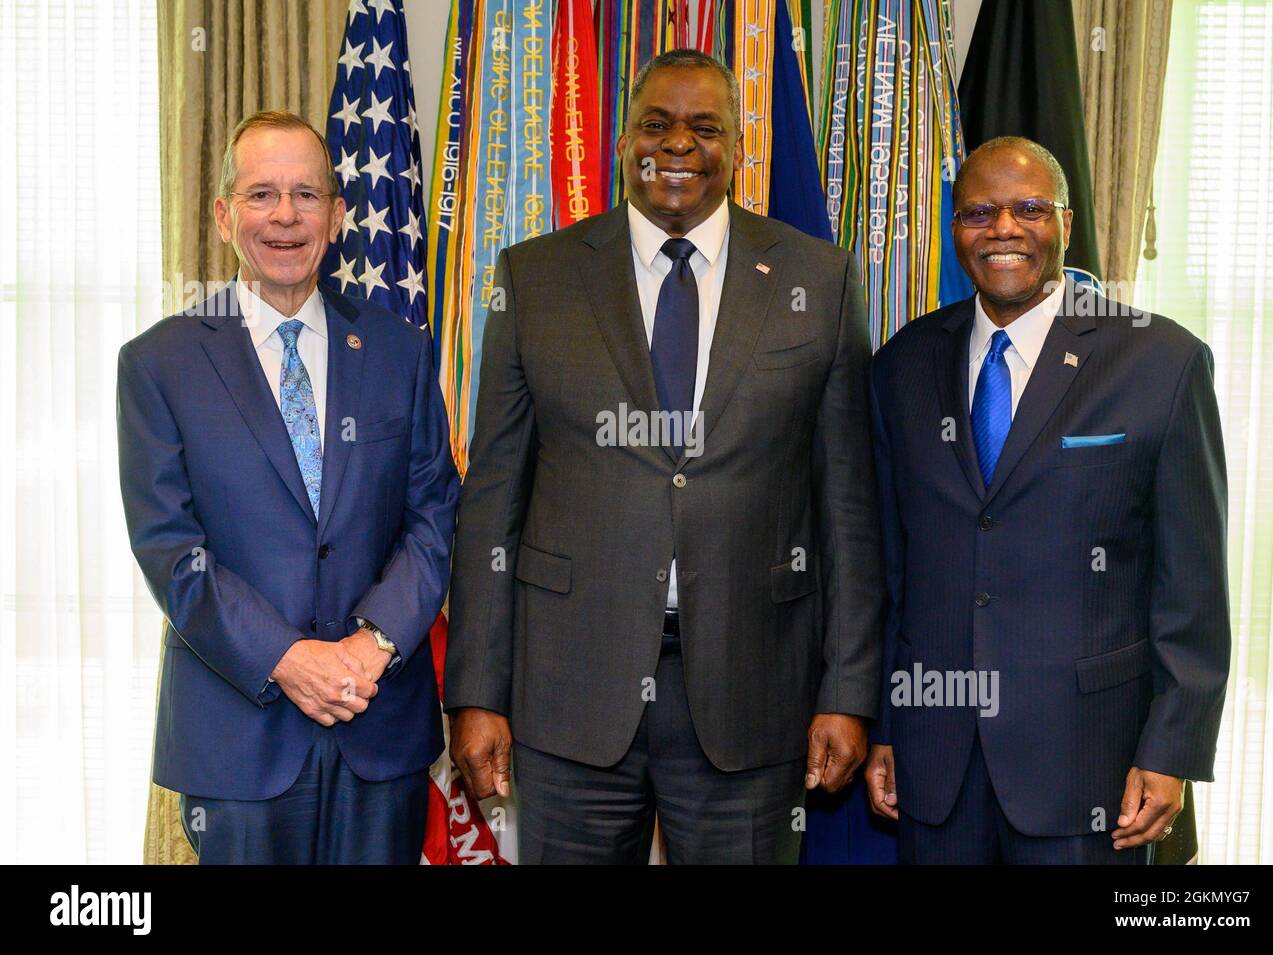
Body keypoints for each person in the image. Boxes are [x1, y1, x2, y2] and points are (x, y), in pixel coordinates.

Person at [444, 49, 883, 864]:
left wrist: (849, 690)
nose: (678, 143)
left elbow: (848, 506)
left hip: (753, 694)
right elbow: (492, 498)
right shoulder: (535, 277)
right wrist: (474, 691)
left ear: (739, 148)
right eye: (656, 123)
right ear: (622, 142)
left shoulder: (817, 281)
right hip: (569, 692)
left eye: (704, 126)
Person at [864, 136, 1230, 863]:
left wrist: (1172, 748)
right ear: (954, 227)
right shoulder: (902, 365)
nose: (1004, 228)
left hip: (1089, 764)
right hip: (936, 765)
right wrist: (886, 722)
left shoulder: (1161, 361)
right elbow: (892, 573)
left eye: (1029, 208)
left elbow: (1191, 582)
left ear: (1064, 221)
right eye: (978, 212)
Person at [117, 111, 459, 863]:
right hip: (237, 739)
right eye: (261, 194)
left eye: (306, 195)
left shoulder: (400, 350)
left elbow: (435, 517)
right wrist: (287, 656)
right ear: (223, 214)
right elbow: (172, 551)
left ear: (337, 216)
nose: (284, 216)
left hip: (379, 729)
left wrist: (373, 644)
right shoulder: (158, 364)